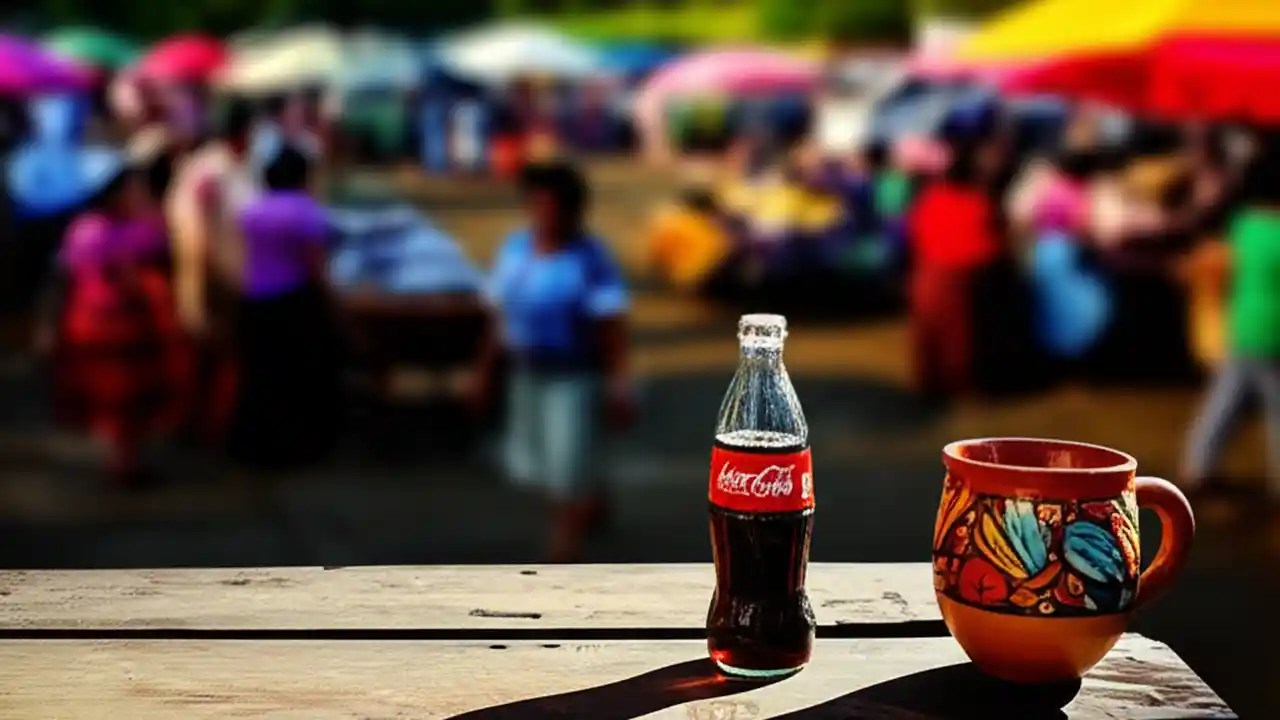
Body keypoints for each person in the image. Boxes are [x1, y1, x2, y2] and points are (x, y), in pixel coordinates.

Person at [475, 161, 634, 562]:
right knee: (539, 463)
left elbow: (611, 326)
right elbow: (499, 316)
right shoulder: (515, 249)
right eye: (537, 205)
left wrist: (619, 385)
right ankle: (589, 500)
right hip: (526, 372)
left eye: (553, 207)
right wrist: (484, 372)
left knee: (567, 467)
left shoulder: (591, 260)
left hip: (574, 376)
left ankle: (563, 550)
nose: (544, 215)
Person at [44, 159, 190, 487]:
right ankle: (125, 462)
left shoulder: (83, 228)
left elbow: (62, 279)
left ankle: (123, 459)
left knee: (117, 401)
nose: (138, 192)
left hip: (95, 323)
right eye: (132, 187)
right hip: (115, 328)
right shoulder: (134, 231)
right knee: (123, 399)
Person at [227, 145, 342, 468]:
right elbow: (315, 264)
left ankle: (251, 446)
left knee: (258, 377)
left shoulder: (252, 210)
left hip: (253, 300)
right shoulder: (307, 212)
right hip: (291, 301)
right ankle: (294, 448)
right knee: (294, 379)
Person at [1182, 138, 1280, 499]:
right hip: (1274, 334)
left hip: (1242, 328)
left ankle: (1198, 465)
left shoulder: (1245, 226)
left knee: (1224, 401)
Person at [166, 98, 258, 443]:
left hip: (222, 273)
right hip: (212, 276)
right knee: (208, 354)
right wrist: (211, 279)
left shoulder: (223, 166)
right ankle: (203, 425)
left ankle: (206, 423)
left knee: (213, 356)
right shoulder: (212, 171)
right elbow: (199, 232)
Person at [906, 142, 1001, 400]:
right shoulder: (978, 203)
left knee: (930, 336)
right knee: (958, 340)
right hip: (959, 282)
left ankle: (930, 387)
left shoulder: (931, 198)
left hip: (927, 277)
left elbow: (917, 235)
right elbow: (985, 249)